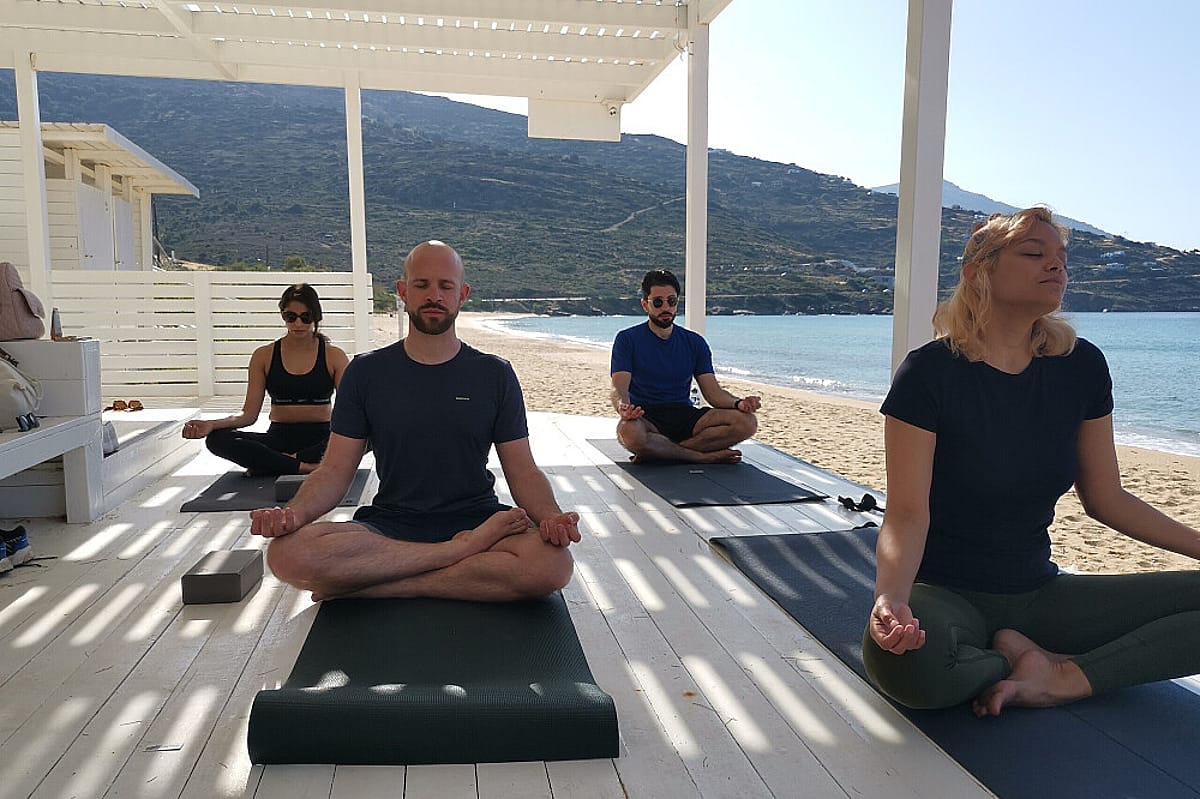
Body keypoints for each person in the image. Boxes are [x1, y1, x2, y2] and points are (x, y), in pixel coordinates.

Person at [863, 207, 1200, 717]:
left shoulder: (1081, 366)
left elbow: (1106, 499)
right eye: (1034, 253)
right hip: (946, 592)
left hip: (1039, 594)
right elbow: (907, 513)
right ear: (980, 271)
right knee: (912, 671)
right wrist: (890, 599)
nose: (1056, 267)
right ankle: (1014, 658)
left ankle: (1066, 677)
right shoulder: (929, 373)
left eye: (1062, 258)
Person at [250, 241, 580, 602]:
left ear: (462, 295)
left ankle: (384, 584)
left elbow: (524, 471)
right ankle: (454, 554)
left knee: (552, 565)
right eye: (421, 285)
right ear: (403, 292)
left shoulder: (494, 374)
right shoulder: (366, 372)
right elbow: (333, 472)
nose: (433, 295)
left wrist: (550, 515)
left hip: (479, 518)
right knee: (286, 555)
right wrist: (293, 515)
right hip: (390, 524)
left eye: (445, 286)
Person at [182, 283, 349, 477]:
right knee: (216, 439)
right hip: (279, 437)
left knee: (371, 430)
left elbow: (348, 413)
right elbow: (248, 415)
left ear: (316, 317)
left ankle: (277, 463)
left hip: (321, 439)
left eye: (306, 317)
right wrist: (211, 424)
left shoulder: (333, 356)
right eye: (291, 317)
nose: (298, 324)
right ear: (282, 315)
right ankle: (304, 467)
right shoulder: (264, 355)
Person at [610, 268, 761, 463]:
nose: (666, 308)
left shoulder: (694, 342)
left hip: (685, 416)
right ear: (645, 305)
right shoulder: (627, 339)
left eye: (671, 301)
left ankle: (662, 453)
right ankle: (699, 456)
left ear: (677, 303)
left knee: (747, 422)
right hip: (646, 417)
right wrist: (624, 407)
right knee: (629, 431)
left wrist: (739, 403)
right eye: (658, 302)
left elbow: (713, 393)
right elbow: (618, 386)